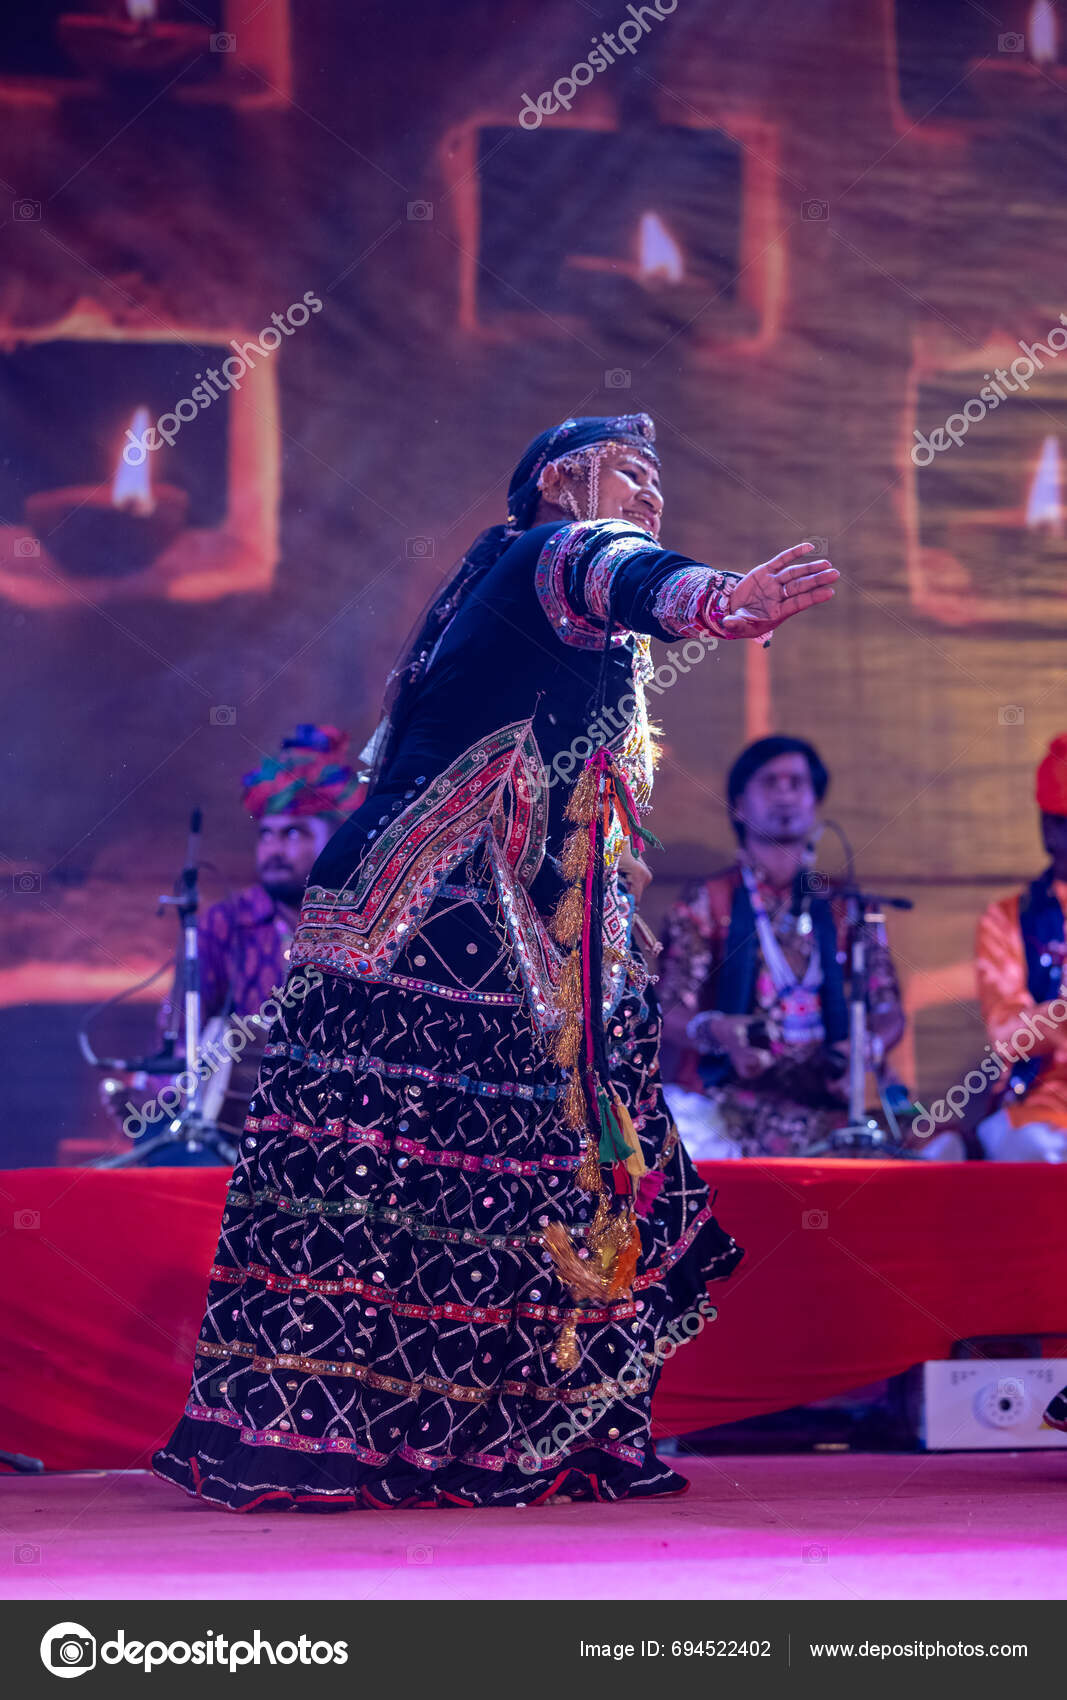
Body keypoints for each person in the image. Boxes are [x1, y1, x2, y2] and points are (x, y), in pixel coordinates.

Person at [152, 411, 837, 1512]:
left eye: (661, 482)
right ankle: (388, 1439)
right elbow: (618, 566)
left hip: (460, 921)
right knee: (456, 1170)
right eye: (635, 475)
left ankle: (438, 1436)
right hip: (446, 922)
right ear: (564, 479)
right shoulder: (545, 553)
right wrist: (720, 598)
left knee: (455, 1176)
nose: (652, 499)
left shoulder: (502, 608)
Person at [658, 736, 904, 1158]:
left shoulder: (844, 903)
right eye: (770, 782)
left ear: (815, 803)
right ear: (739, 804)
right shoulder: (707, 899)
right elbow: (667, 1009)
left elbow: (887, 1009)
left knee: (928, 1151)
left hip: (827, 1105)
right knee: (690, 1148)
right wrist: (717, 1031)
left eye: (798, 783)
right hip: (727, 1104)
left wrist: (868, 1048)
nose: (786, 795)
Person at [151, 726, 364, 1144]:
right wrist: (163, 1107)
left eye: (294, 833)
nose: (274, 849)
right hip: (230, 1140)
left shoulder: (359, 926)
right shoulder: (224, 924)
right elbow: (179, 1039)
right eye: (265, 834)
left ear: (336, 841)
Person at [974, 734, 1067, 1164]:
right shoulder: (1008, 918)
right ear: (1047, 827)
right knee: (1034, 1152)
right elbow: (1007, 1033)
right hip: (1041, 1110)